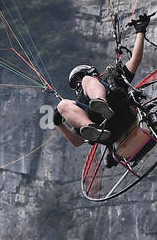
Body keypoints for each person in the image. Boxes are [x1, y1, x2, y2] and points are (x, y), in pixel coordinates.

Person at [53, 14, 150, 146]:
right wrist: (60, 124)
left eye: (79, 78)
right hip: (106, 131)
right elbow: (78, 142)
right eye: (75, 83)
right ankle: (92, 128)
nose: (78, 83)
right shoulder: (78, 109)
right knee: (62, 105)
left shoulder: (110, 79)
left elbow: (135, 60)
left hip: (120, 110)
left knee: (88, 81)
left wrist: (140, 31)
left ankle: (101, 103)